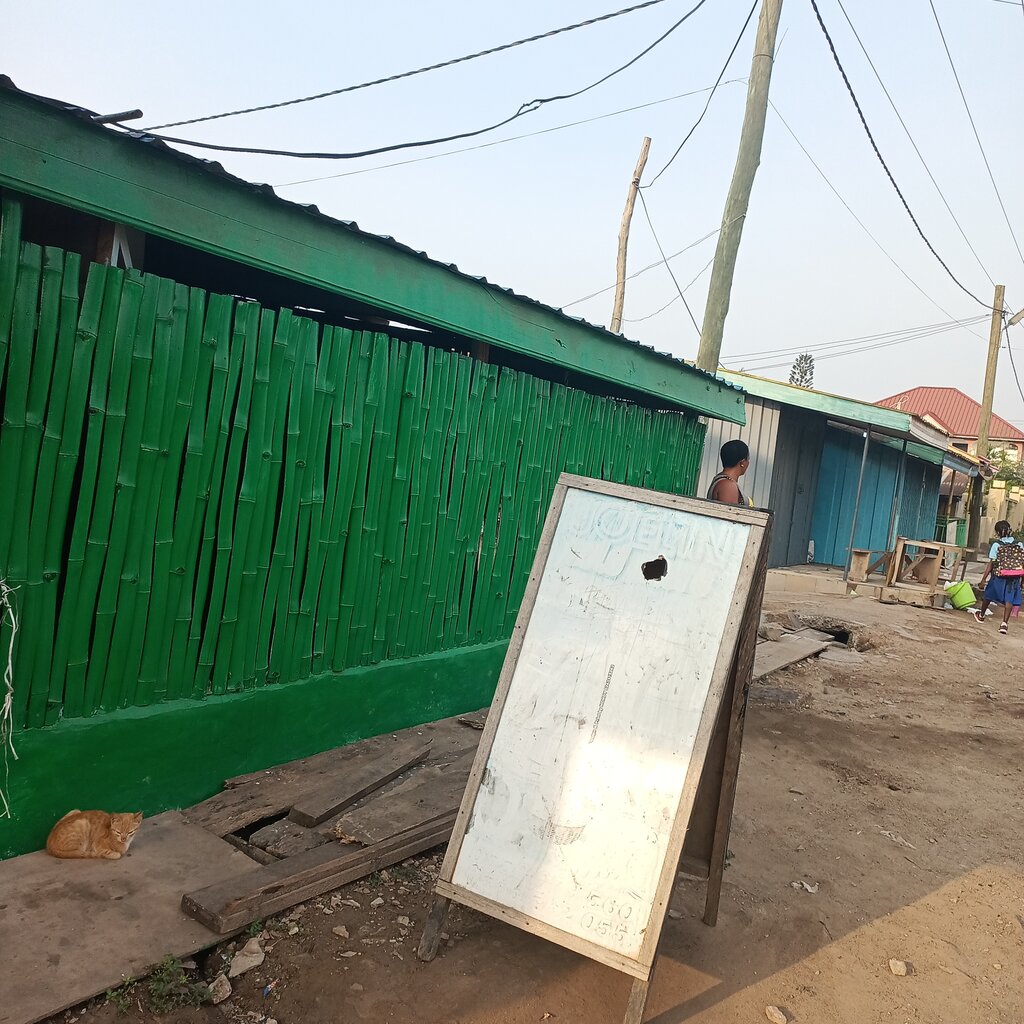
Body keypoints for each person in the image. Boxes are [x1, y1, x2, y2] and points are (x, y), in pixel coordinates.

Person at [974, 520, 1024, 635]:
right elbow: (1022, 562)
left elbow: (991, 564)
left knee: (989, 594)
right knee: (1009, 599)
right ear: (1009, 530)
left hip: (999, 576)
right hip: (1014, 577)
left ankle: (981, 615)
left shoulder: (996, 545)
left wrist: (983, 579)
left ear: (997, 532)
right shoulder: (1019, 544)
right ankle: (1004, 624)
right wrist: (1022, 580)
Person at [707, 439, 751, 506]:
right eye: (748, 459)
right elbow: (730, 514)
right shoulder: (728, 485)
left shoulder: (723, 481)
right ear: (742, 462)